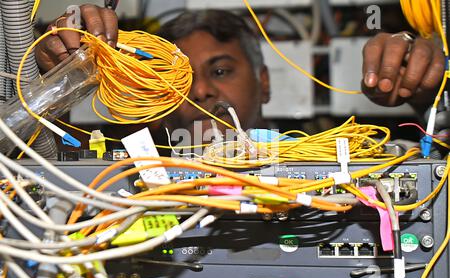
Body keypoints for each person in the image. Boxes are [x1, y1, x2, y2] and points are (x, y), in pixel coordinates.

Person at [35, 6, 445, 142]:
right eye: (173, 76)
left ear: (264, 83)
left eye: (220, 69)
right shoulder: (128, 177)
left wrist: (430, 92)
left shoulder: (346, 162)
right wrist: (57, 82)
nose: (199, 89)